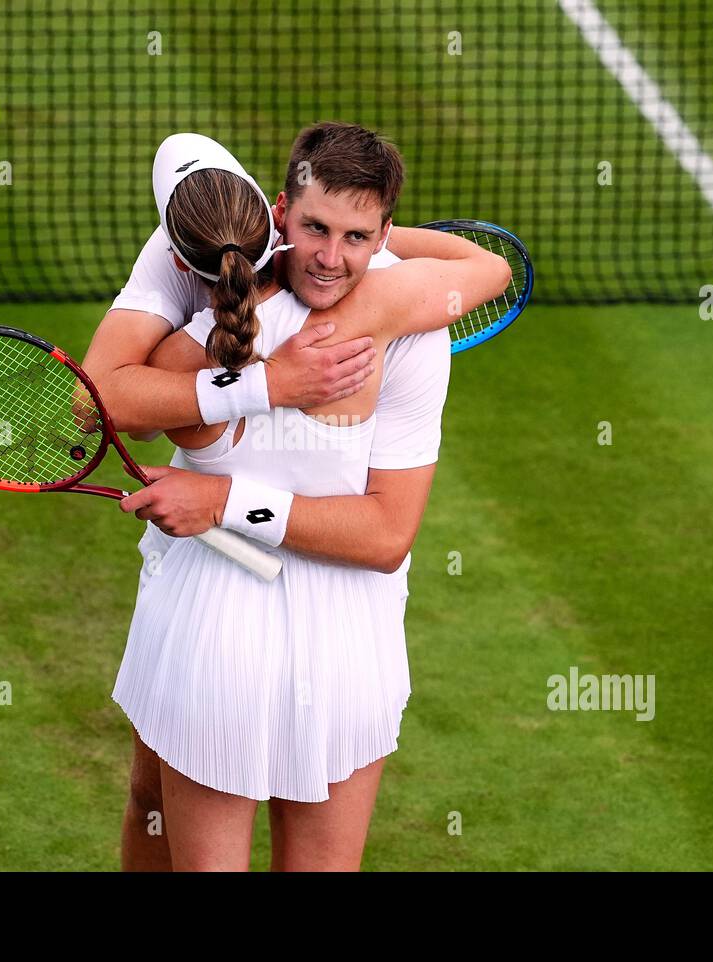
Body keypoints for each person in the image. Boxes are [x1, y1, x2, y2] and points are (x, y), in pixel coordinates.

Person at [95, 130, 508, 870]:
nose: (331, 255)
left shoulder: (201, 334)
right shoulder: (407, 316)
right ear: (280, 215)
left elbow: (105, 398)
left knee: (150, 811)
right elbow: (384, 536)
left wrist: (222, 500)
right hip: (303, 639)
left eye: (357, 235)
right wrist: (279, 378)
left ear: (382, 234)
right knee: (149, 807)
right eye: (316, 227)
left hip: (225, 630)